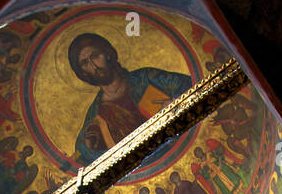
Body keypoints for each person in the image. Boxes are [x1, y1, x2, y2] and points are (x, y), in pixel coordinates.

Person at [68, 33, 191, 165]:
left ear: (107, 54)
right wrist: (90, 146)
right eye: (85, 63)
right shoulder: (96, 113)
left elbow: (188, 84)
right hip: (141, 170)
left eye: (95, 56)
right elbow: (83, 153)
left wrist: (176, 101)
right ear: (83, 72)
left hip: (176, 149)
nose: (94, 66)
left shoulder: (145, 78)